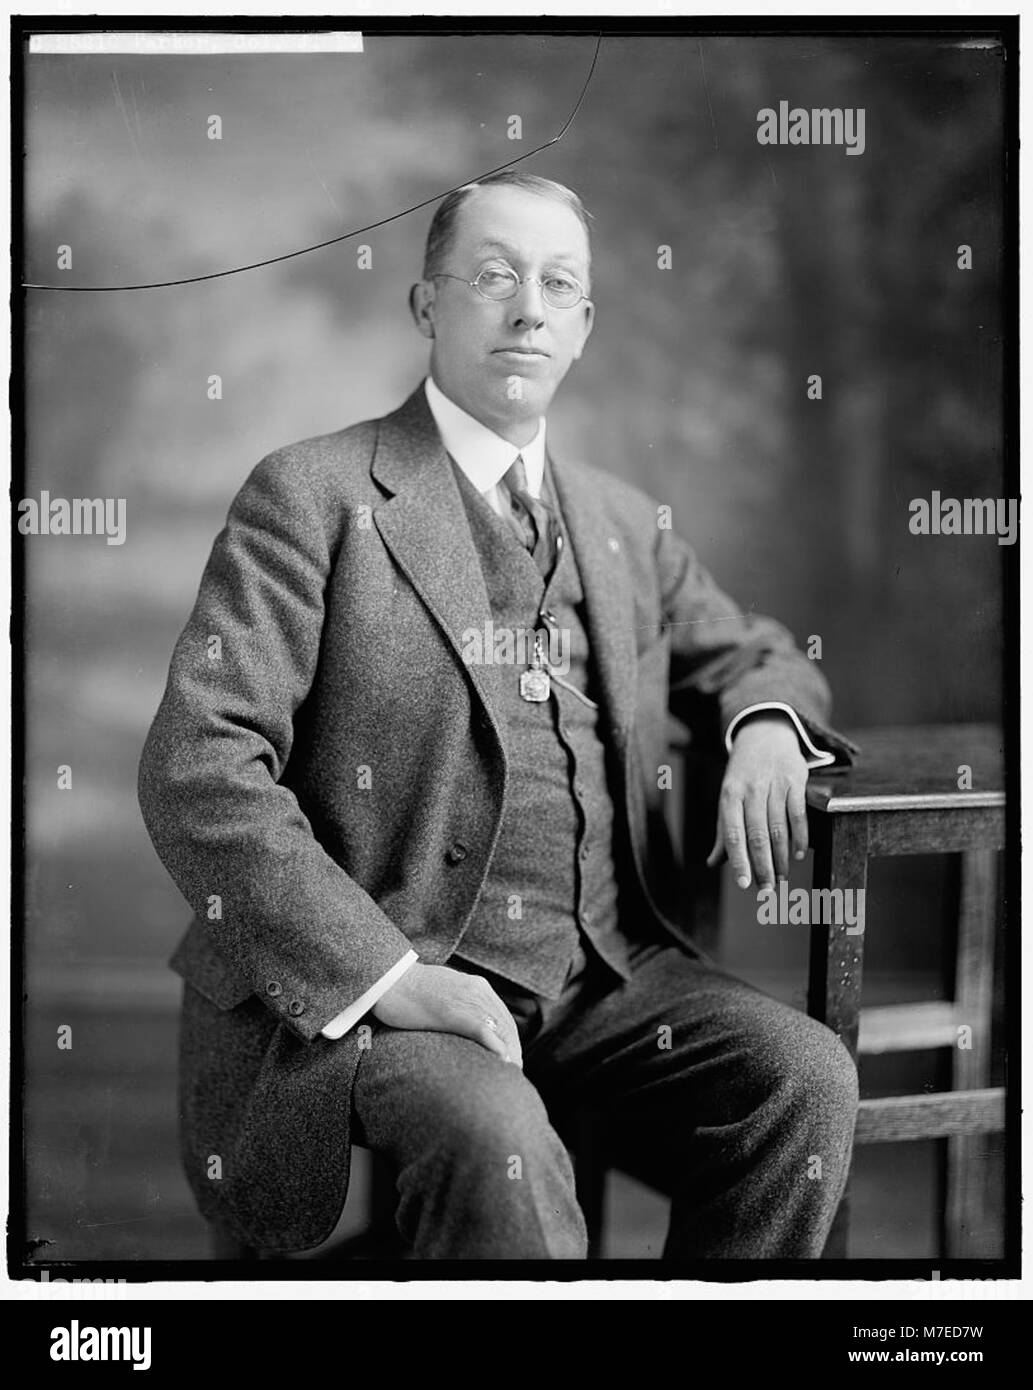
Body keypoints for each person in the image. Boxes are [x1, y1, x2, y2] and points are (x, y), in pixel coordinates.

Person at [138, 171, 860, 1261]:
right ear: (427, 306)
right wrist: (392, 978)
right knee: (493, 1134)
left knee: (800, 1080)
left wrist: (763, 724)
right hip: (392, 977)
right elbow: (197, 764)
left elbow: (755, 649)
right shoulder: (313, 496)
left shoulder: (621, 521)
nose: (527, 307)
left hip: (608, 984)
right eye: (493, 276)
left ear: (580, 325)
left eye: (556, 284)